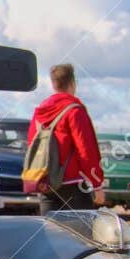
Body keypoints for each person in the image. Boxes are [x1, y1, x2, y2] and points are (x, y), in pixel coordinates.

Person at [26, 63, 104, 212]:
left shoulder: (40, 112)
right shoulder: (74, 111)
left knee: (50, 232)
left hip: (45, 181)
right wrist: (97, 184)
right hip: (73, 183)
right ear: (72, 83)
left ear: (53, 84)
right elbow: (86, 149)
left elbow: (32, 143)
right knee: (82, 232)